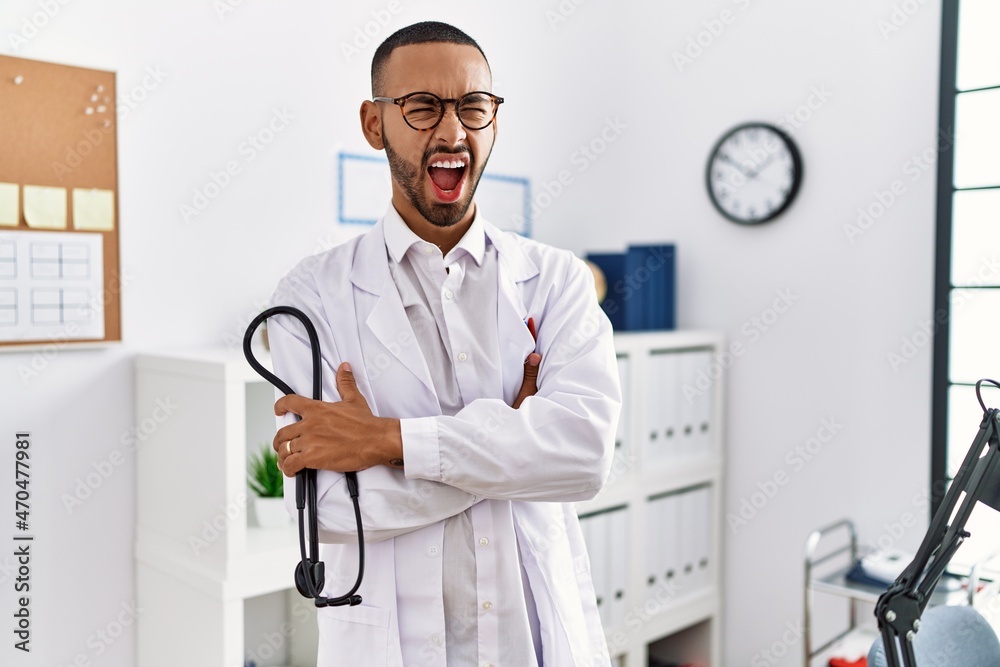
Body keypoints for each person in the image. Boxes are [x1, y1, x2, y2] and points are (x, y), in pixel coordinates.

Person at [266, 20, 621, 667]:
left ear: (493, 120)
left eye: (473, 106)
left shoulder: (556, 280)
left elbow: (584, 457)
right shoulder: (310, 296)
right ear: (374, 124)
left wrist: (386, 441)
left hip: (529, 641)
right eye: (423, 107)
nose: (453, 132)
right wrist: (513, 451)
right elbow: (329, 511)